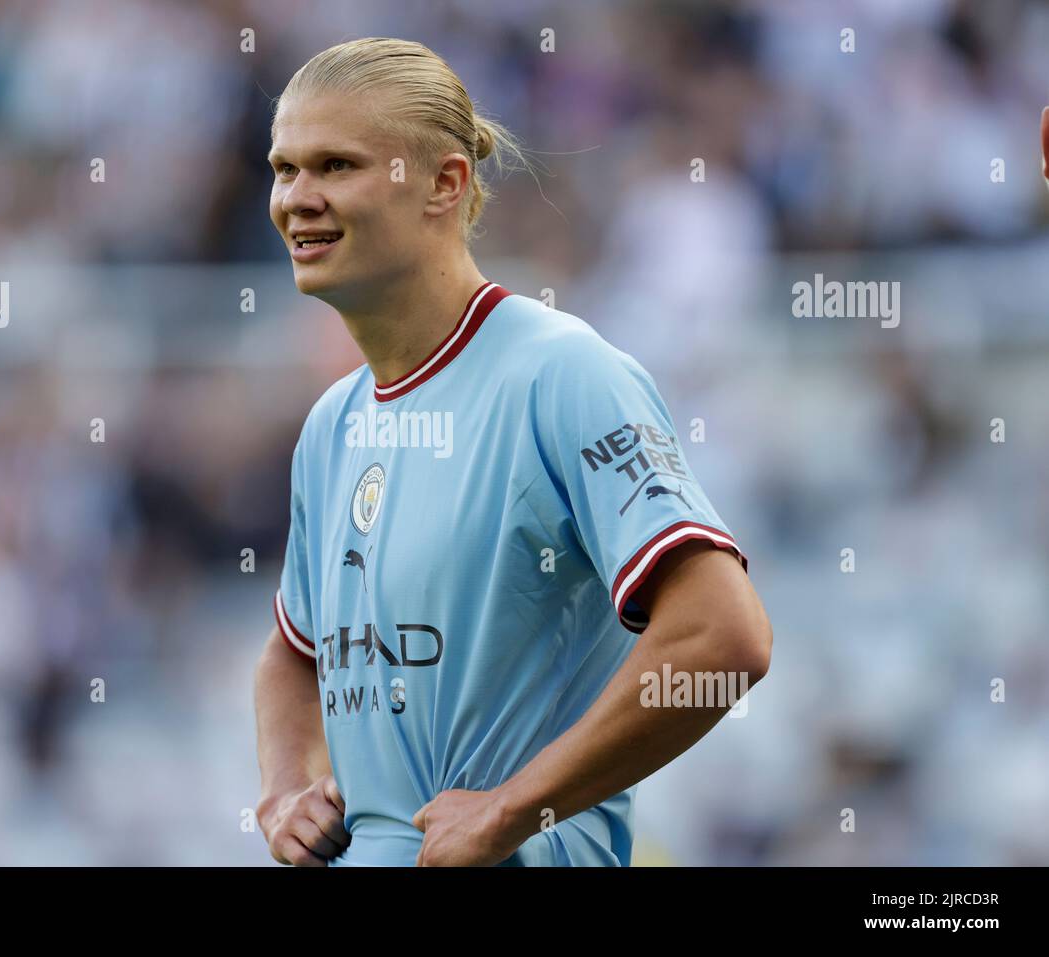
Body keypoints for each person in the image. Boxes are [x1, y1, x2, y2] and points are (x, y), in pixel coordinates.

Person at [253, 37, 772, 867]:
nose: (297, 199)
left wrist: (512, 808)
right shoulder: (332, 424)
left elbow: (724, 635)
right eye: (285, 169)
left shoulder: (563, 374)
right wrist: (285, 790)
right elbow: (292, 651)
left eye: (337, 166)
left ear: (445, 184)